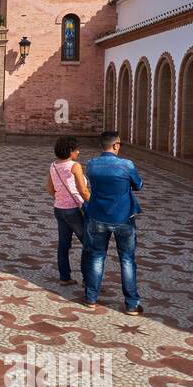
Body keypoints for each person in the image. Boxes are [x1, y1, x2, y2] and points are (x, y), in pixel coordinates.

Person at [81, 130, 144, 314]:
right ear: (116, 145)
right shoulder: (126, 165)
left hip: (97, 216)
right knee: (127, 260)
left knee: (97, 257)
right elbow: (138, 185)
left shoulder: (92, 164)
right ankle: (132, 303)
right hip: (123, 217)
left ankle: (91, 298)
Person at [46, 135, 90, 285]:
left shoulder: (53, 165)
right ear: (71, 151)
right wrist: (93, 203)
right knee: (88, 243)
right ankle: (88, 279)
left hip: (59, 208)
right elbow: (83, 190)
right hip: (74, 209)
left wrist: (61, 198)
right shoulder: (74, 166)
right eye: (77, 150)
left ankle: (64, 277)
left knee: (63, 244)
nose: (78, 153)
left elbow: (50, 189)